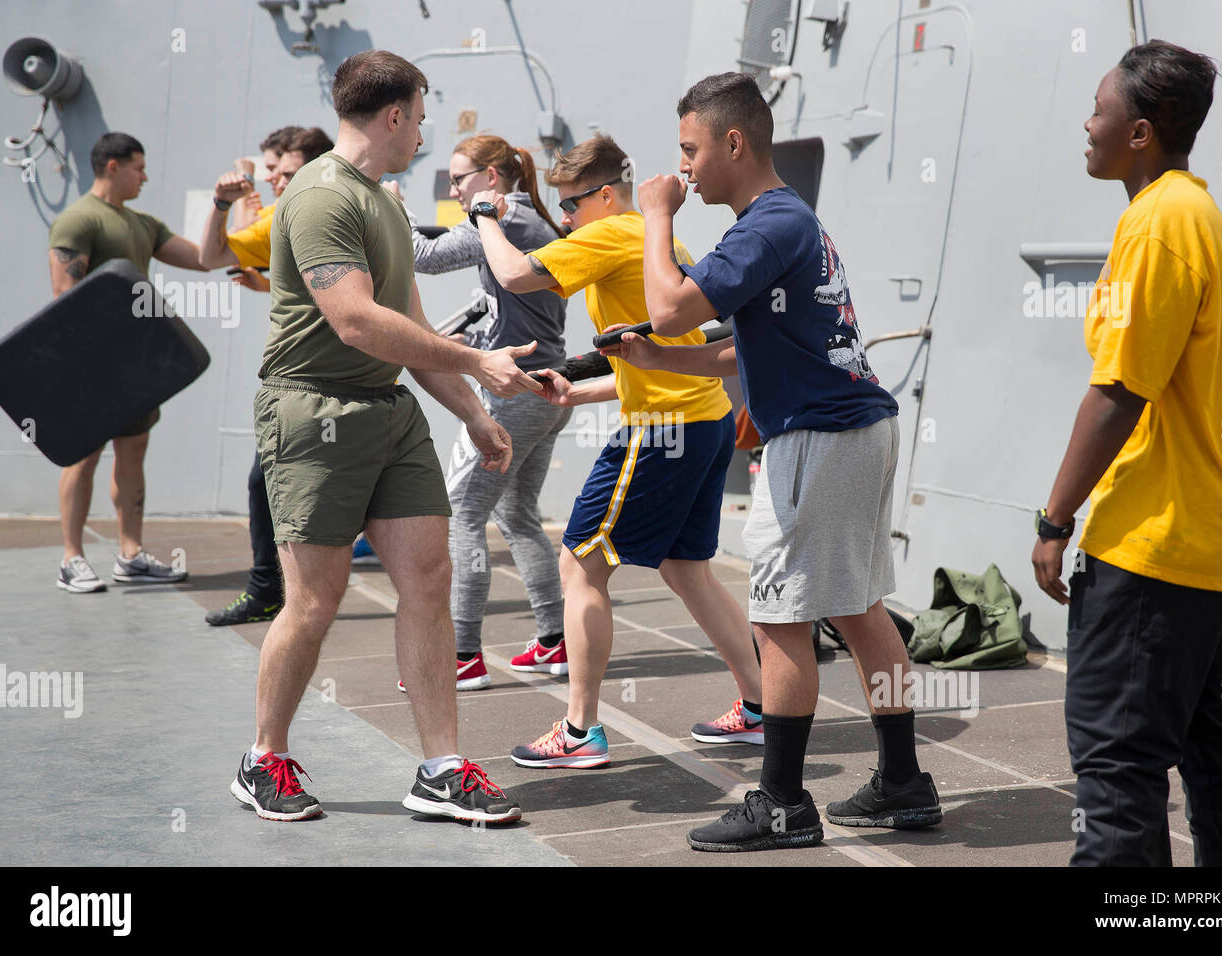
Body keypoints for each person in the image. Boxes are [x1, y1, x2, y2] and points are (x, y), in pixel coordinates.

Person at [613, 72, 942, 851]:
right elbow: (742, 349)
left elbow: (670, 302)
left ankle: (785, 804)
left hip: (818, 440)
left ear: (734, 142)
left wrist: (654, 216)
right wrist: (658, 357)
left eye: (691, 150)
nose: (684, 168)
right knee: (859, 609)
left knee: (781, 617)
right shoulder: (792, 220)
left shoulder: (762, 227)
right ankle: (903, 781)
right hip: (860, 428)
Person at [231, 50, 541, 823]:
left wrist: (473, 410)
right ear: (396, 114)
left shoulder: (381, 201)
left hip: (388, 408)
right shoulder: (321, 196)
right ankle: (262, 758)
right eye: (423, 113)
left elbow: (407, 328)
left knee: (429, 579)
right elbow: (355, 320)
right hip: (314, 410)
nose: (427, 128)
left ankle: (440, 767)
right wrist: (477, 361)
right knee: (313, 600)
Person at [1031, 41, 1222, 866]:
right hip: (1214, 542)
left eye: (1099, 110)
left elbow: (1117, 395)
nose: (1086, 124)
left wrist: (1053, 518)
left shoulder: (1158, 225)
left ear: (1139, 133)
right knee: (1216, 752)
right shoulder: (1210, 224)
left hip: (1153, 547)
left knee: (1117, 765)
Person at [473, 132, 765, 769]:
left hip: (661, 431)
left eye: (574, 205)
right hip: (708, 420)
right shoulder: (658, 240)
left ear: (606, 195)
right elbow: (651, 359)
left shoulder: (611, 234)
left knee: (580, 565)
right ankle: (762, 705)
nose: (568, 220)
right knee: (686, 568)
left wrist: (482, 219)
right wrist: (576, 395)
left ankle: (581, 731)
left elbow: (517, 276)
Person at [389, 134, 571, 691]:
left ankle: (463, 655)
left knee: (461, 516)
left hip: (514, 396)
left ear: (492, 178)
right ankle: (554, 641)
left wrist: (396, 207)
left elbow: (423, 256)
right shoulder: (529, 217)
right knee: (517, 517)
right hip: (542, 391)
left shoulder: (506, 217)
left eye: (460, 178)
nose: (454, 189)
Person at [48, 132, 210, 594]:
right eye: (138, 167)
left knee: (133, 452)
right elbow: (64, 297)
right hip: (88, 364)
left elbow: (203, 260)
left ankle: (131, 554)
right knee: (84, 456)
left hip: (132, 365)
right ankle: (71, 558)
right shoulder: (78, 220)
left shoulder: (142, 223)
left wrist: (227, 208)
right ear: (113, 167)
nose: (145, 176)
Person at [198, 126, 335, 626]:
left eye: (283, 168)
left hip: (316, 381)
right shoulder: (291, 212)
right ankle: (274, 589)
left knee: (272, 481)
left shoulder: (311, 209)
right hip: (314, 378)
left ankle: (274, 592)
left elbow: (210, 256)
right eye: (272, 168)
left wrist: (220, 201)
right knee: (271, 481)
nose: (275, 177)